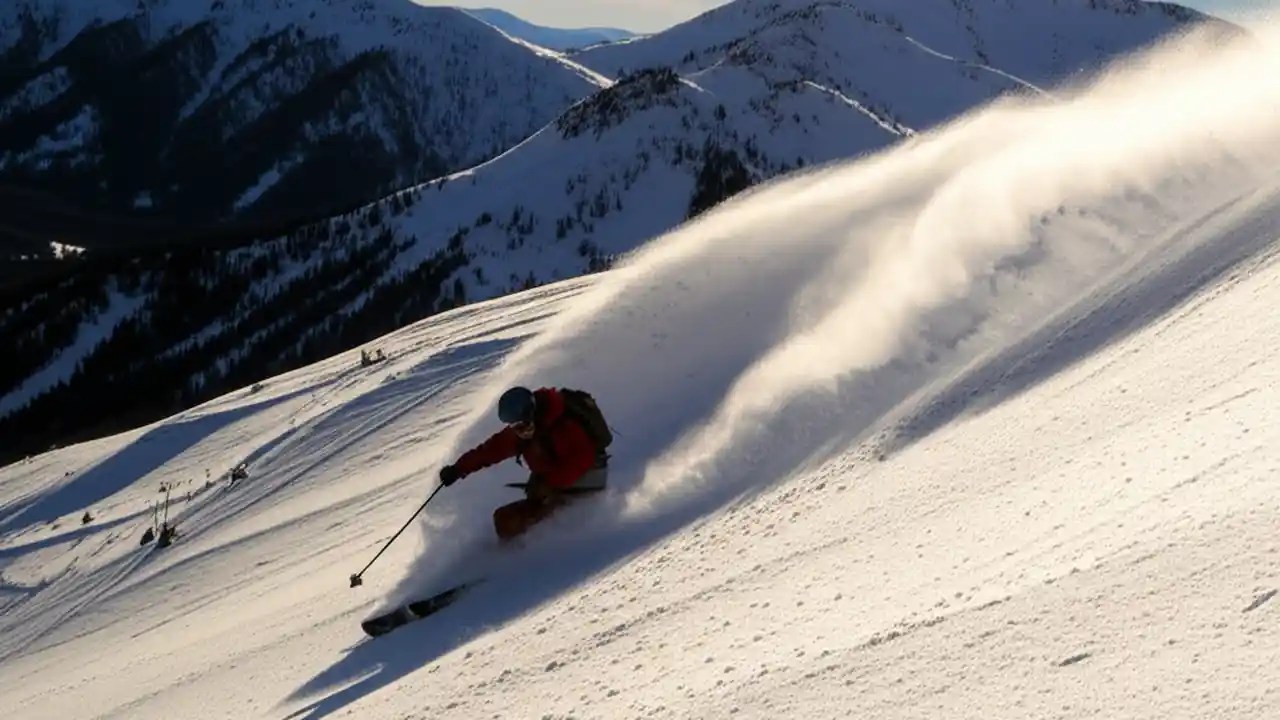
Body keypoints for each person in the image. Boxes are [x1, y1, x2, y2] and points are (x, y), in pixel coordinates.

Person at [438, 386, 610, 540]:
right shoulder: (522, 433)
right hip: (556, 484)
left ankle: (538, 559)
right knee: (504, 519)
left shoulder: (563, 425)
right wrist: (458, 469)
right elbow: (489, 451)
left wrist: (549, 482)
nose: (521, 431)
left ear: (533, 413)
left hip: (584, 483)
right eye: (514, 426)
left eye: (523, 425)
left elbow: (583, 458)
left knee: (508, 521)